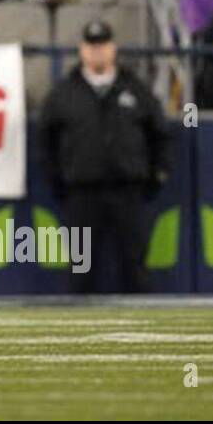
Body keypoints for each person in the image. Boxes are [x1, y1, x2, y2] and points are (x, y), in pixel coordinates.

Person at [40, 20, 171, 294]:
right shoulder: (64, 93)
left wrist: (157, 175)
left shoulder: (135, 89)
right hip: (82, 191)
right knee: (80, 268)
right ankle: (77, 332)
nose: (97, 51)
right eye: (92, 46)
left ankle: (143, 331)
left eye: (102, 45)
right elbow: (45, 141)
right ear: (82, 50)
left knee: (135, 264)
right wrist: (58, 179)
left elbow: (159, 132)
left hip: (128, 189)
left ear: (113, 48)